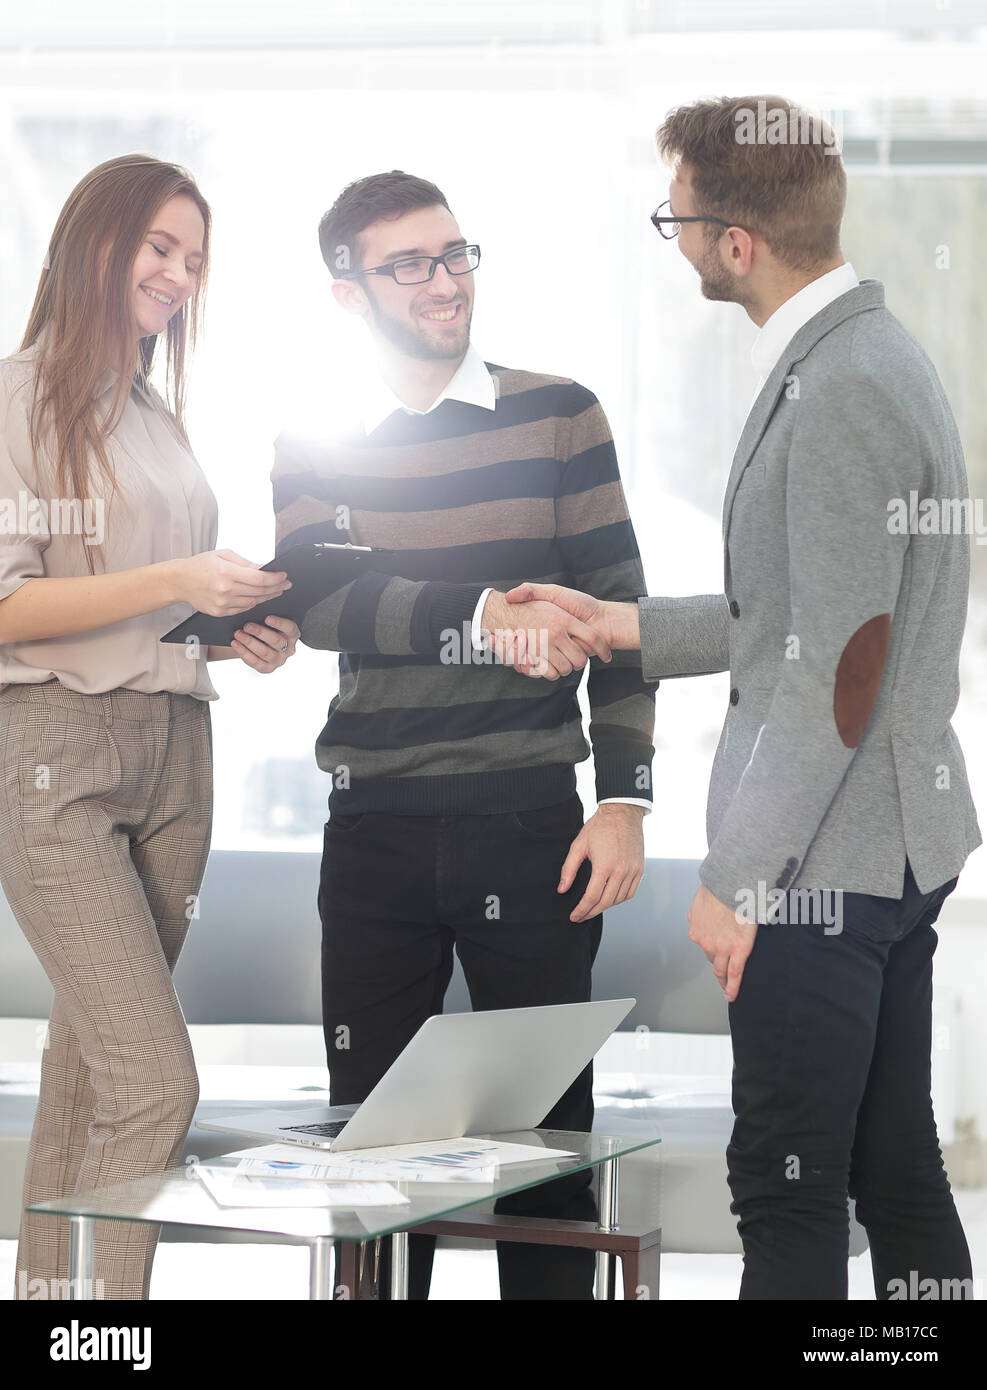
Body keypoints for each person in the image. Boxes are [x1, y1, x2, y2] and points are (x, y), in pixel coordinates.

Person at [507, 95, 982, 1300]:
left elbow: (839, 666)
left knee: (786, 1186)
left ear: (734, 240)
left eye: (674, 215)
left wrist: (736, 877)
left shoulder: (841, 390)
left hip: (822, 862)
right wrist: (623, 624)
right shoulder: (862, 353)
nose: (668, 238)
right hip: (875, 849)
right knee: (890, 1168)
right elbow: (797, 621)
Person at [271, 170, 657, 1299]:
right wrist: (482, 615)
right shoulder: (314, 439)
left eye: (456, 255)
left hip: (532, 825)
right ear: (348, 291)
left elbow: (617, 612)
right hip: (373, 836)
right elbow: (319, 605)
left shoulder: (558, 413)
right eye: (410, 264)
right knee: (377, 1168)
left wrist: (625, 797)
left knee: (543, 1159)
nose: (445, 283)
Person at [0, 153, 300, 1301]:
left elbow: (147, 601)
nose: (178, 275)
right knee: (153, 1083)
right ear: (94, 245)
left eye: (193, 259)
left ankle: (54, 1316)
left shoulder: (154, 411)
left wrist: (226, 629)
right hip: (58, 757)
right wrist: (177, 574)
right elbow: (10, 605)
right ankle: (109, 1334)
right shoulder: (19, 395)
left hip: (178, 750)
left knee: (88, 1078)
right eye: (158, 248)